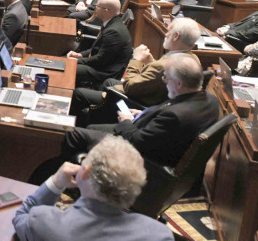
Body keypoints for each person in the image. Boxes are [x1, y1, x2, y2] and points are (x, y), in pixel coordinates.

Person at [14, 136, 202, 241]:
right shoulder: (157, 238)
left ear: (85, 172)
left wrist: (56, 182)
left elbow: (21, 215)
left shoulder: (45, 223)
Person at [61, 54, 219, 169]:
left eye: (166, 78)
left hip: (144, 160)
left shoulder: (175, 116)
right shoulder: (209, 100)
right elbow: (168, 111)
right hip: (151, 135)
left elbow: (137, 142)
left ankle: (60, 179)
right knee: (91, 129)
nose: (164, 82)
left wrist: (127, 121)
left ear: (178, 83)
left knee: (74, 134)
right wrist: (143, 113)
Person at [70, 18, 202, 126]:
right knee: (109, 82)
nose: (165, 34)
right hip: (153, 96)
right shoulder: (192, 58)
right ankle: (100, 113)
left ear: (175, 36)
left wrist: (136, 60)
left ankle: (77, 126)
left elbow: (129, 86)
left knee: (79, 93)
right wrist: (151, 61)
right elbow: (160, 75)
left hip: (137, 101)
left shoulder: (163, 65)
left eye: (168, 31)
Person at [67, 0, 133, 89]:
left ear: (105, 10)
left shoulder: (114, 32)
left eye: (97, 6)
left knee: (70, 68)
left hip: (105, 72)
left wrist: (77, 61)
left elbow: (100, 60)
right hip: (102, 65)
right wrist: (80, 55)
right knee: (70, 64)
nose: (94, 8)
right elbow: (98, 49)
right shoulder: (111, 23)